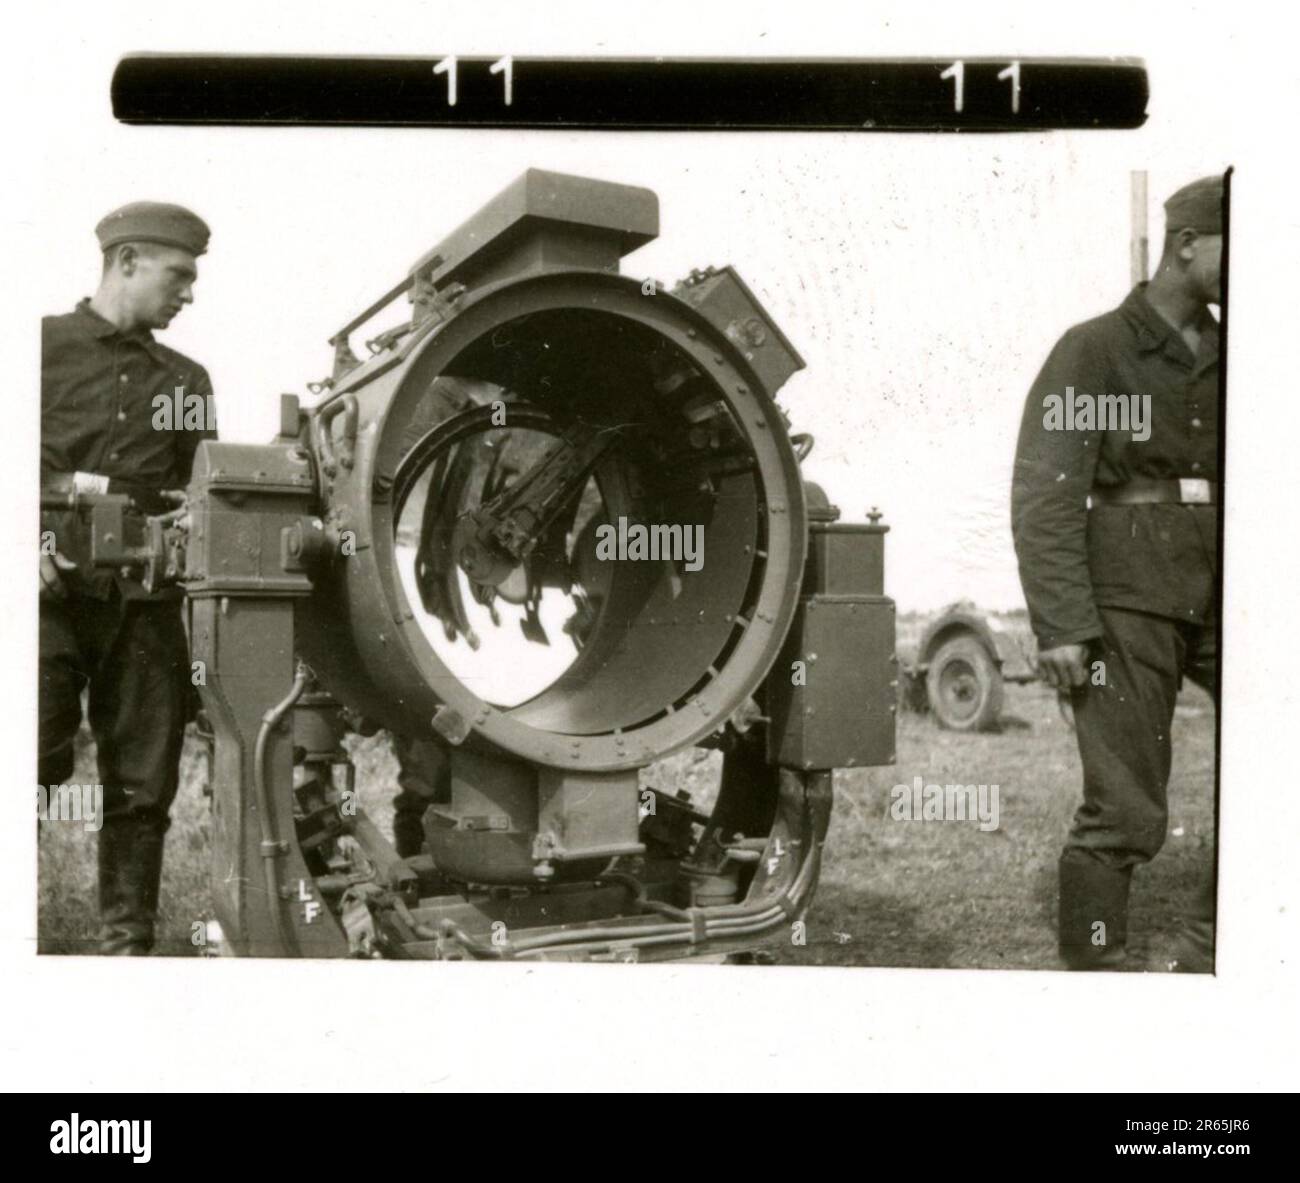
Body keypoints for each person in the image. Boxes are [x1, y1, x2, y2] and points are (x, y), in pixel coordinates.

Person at [1011, 175, 1223, 971]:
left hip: (1229, 589)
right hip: (1129, 595)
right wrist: (1063, 624)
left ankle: (1214, 940)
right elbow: (1047, 491)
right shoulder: (1096, 349)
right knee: (1128, 804)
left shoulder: (1243, 351)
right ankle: (1100, 966)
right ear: (1188, 243)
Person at [40, 202, 216, 954]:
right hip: (42, 597)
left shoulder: (186, 380)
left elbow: (199, 492)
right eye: (179, 275)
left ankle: (126, 945)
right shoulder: (37, 348)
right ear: (128, 261)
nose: (190, 293)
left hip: (144, 604)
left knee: (143, 785)